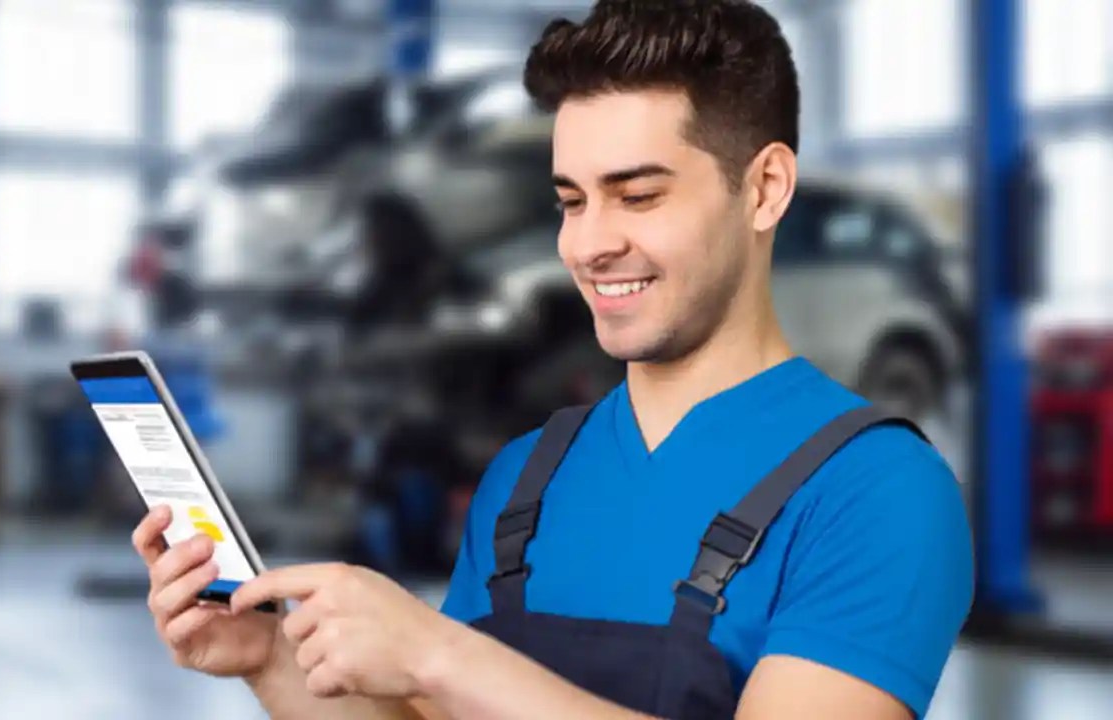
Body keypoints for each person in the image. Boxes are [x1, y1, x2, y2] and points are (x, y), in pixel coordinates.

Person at [130, 1, 973, 718]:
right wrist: (266, 660)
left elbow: (455, 678)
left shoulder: (878, 492)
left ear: (765, 189)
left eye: (638, 195)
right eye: (572, 200)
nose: (591, 244)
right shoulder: (523, 478)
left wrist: (442, 655)